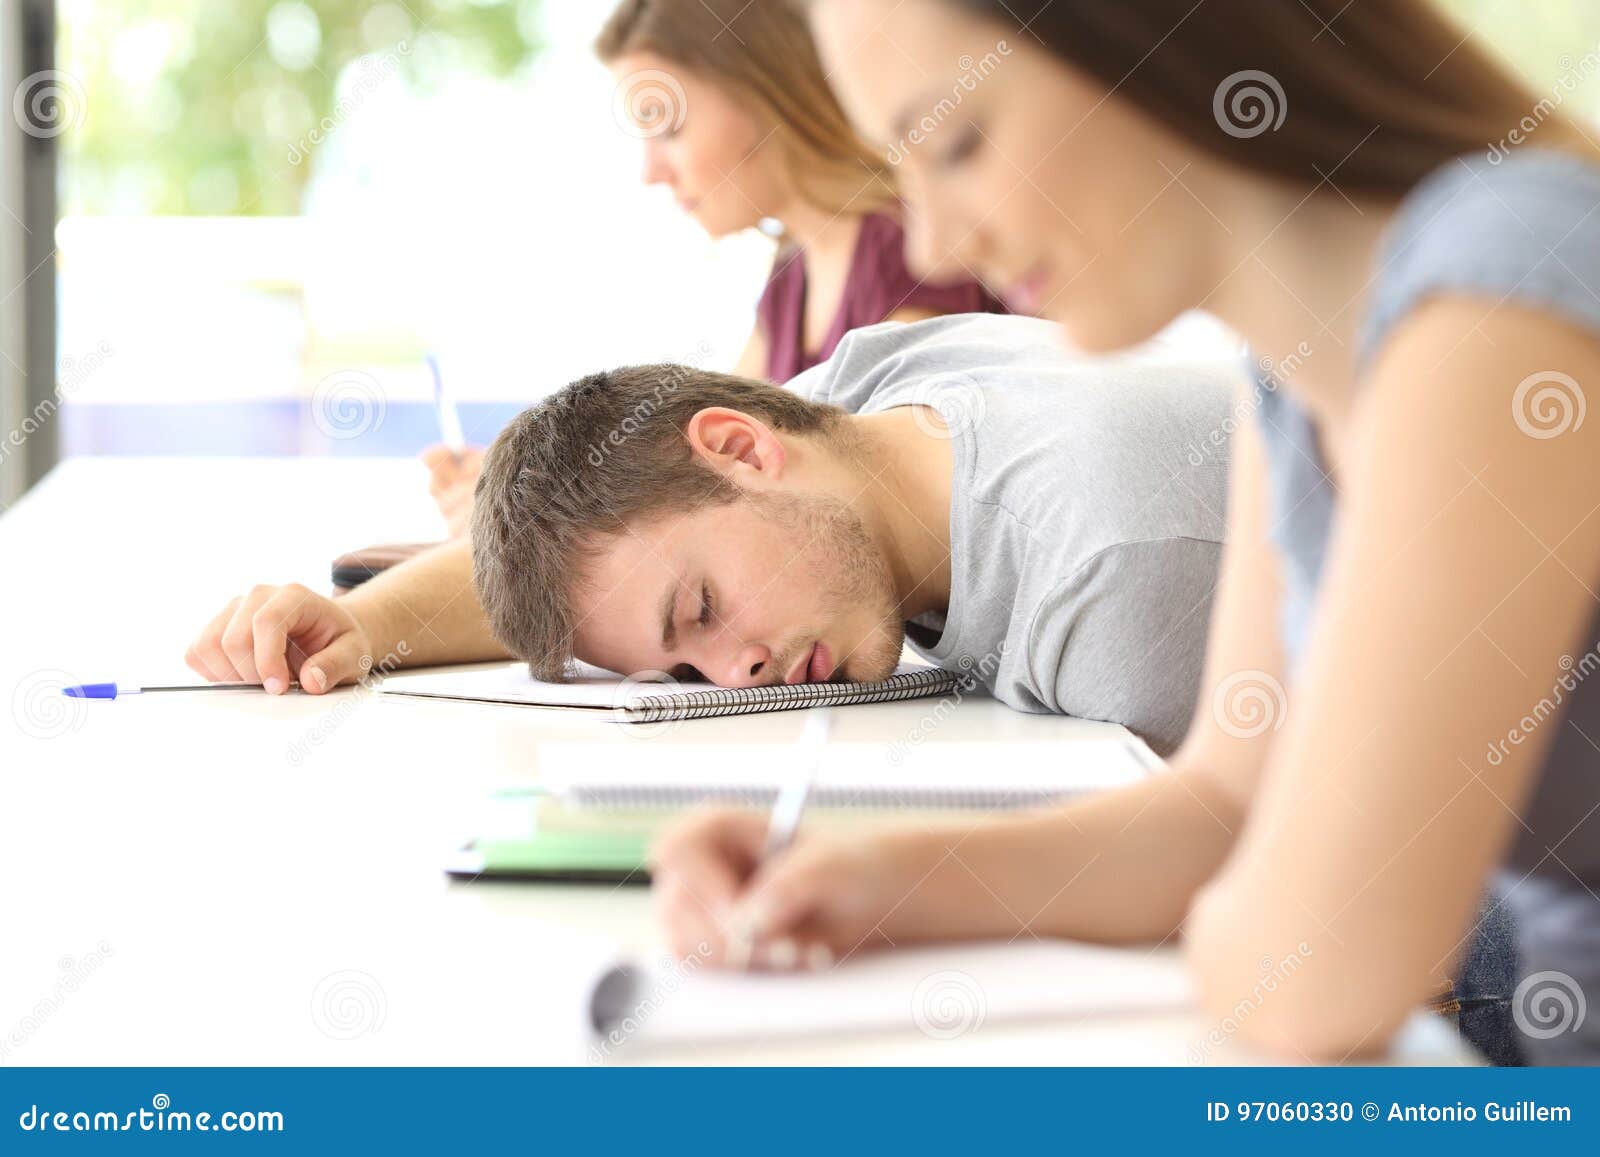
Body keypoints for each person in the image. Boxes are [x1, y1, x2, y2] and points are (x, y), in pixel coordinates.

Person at [648, 0, 1600, 1066]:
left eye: (956, 142)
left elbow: (1319, 974)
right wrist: (871, 877)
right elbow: (1223, 803)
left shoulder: (1500, 291)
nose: (933, 240)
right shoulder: (1291, 371)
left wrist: (1259, 918)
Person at [185, 313, 1233, 756]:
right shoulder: (868, 403)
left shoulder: (1112, 584)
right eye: (687, 661)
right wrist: (359, 626)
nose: (737, 672)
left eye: (702, 613)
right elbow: (598, 564)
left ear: (736, 445)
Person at [420, 0, 1005, 537]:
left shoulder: (911, 252)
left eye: (668, 127)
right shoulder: (791, 279)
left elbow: (829, 519)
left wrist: (536, 529)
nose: (651, 171)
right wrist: (523, 502)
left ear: (767, 94)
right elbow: (698, 466)